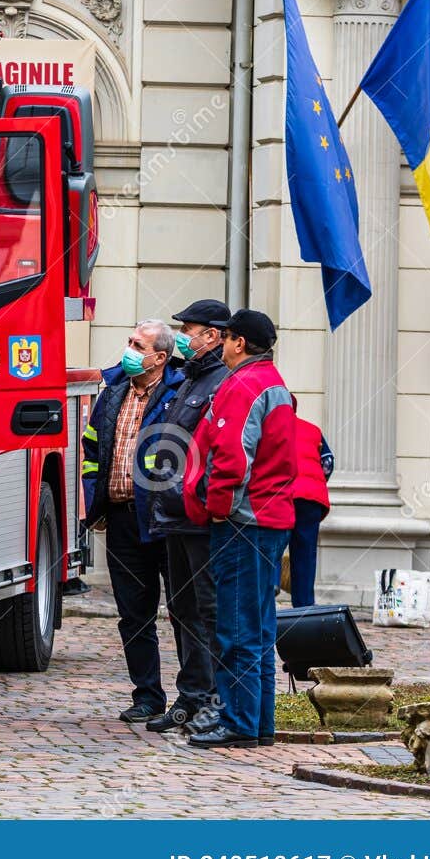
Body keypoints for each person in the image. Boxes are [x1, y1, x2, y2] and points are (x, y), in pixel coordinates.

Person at [182, 309, 298, 749]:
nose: (223, 345)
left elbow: (232, 457)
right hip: (266, 520)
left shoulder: (245, 385)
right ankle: (258, 722)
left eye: (227, 337)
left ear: (240, 343)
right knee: (259, 627)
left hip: (242, 523)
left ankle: (239, 722)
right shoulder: (272, 382)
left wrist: (218, 508)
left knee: (237, 628)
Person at [81, 319, 185, 724]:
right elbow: (92, 449)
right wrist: (96, 499)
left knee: (183, 611)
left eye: (138, 345)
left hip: (166, 521)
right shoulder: (113, 392)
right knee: (133, 614)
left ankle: (191, 697)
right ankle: (147, 696)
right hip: (122, 518)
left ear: (160, 358)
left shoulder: (179, 393)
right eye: (130, 342)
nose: (129, 350)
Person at [145, 298, 233, 736]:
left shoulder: (223, 381)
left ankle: (215, 701)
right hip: (175, 513)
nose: (183, 337)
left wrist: (196, 496)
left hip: (199, 515)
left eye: (189, 330)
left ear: (212, 336)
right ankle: (191, 696)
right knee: (182, 608)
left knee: (208, 609)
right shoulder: (190, 379)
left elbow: (220, 450)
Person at [288, 420, 334, 607]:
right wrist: (317, 481)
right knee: (305, 554)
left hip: (283, 494)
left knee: (273, 545)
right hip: (311, 498)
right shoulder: (312, 430)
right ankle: (304, 605)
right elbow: (328, 462)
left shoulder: (269, 425)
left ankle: (272, 584)